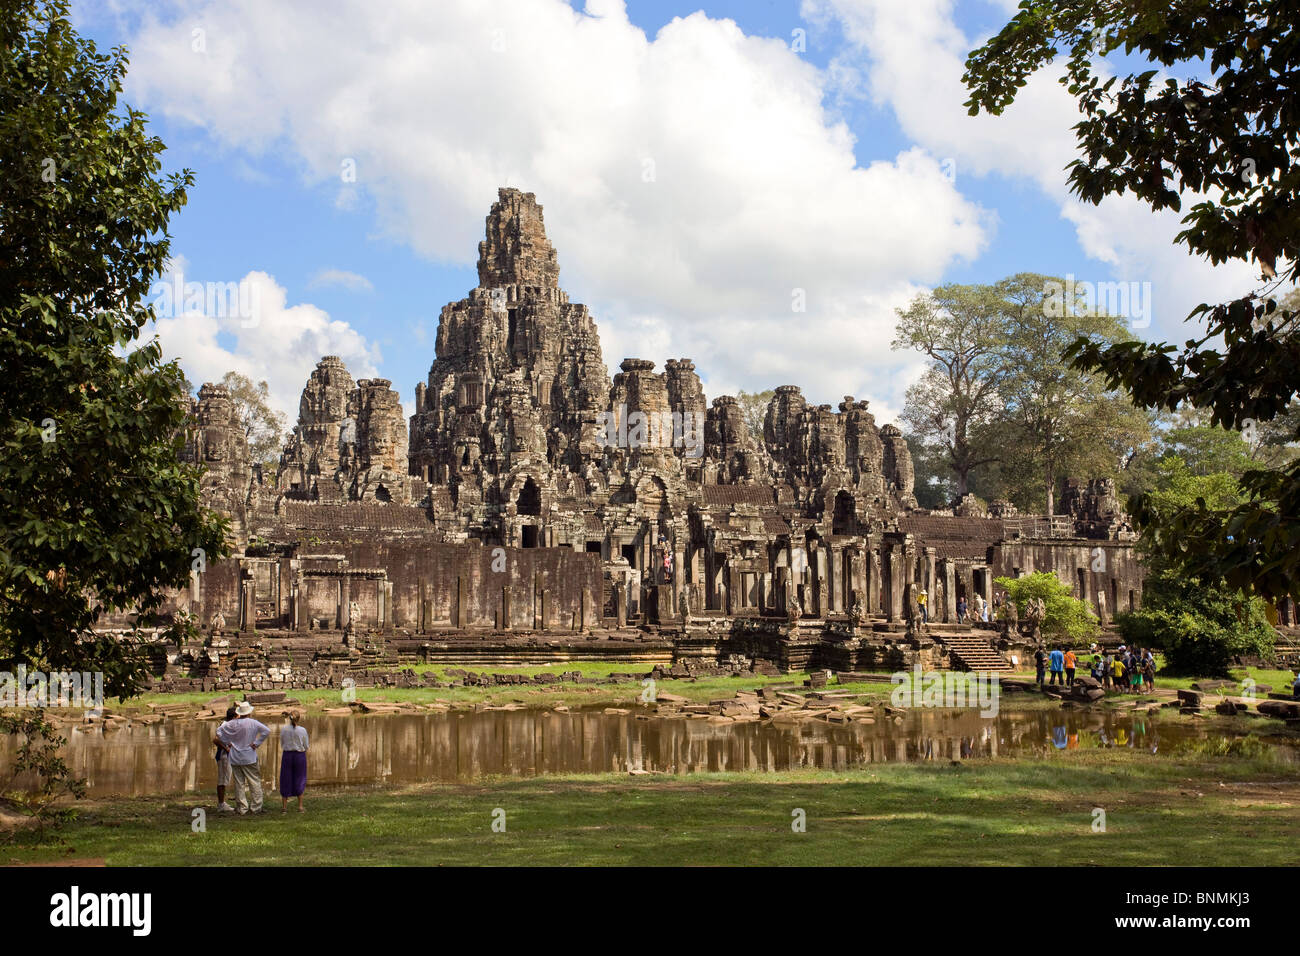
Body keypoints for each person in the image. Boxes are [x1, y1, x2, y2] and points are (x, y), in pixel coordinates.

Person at [216, 701, 271, 814]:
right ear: (249, 712)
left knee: (239, 783)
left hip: (235, 756)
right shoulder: (253, 723)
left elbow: (219, 732)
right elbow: (266, 731)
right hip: (249, 755)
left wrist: (228, 742)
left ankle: (242, 807)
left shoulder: (232, 723)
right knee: (254, 781)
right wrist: (256, 743)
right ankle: (256, 807)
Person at [279, 709, 310, 813]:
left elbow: (282, 743)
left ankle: (284, 807)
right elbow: (306, 745)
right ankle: (300, 806)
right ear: (299, 718)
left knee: (285, 778)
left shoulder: (284, 729)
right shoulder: (302, 730)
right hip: (299, 756)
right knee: (300, 778)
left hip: (287, 755)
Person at [213, 705, 238, 812]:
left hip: (228, 755)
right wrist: (226, 748)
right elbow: (215, 740)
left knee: (225, 779)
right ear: (233, 717)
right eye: (238, 717)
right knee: (222, 780)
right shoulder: (225, 725)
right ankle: (221, 804)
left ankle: (222, 803)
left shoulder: (227, 725)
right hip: (224, 756)